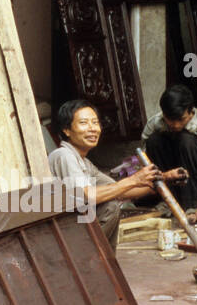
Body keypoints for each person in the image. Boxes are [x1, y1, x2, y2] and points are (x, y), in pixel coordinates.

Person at [48, 99, 185, 249]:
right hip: (60, 232)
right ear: (66, 130)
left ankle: (101, 261)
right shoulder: (64, 155)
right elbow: (87, 196)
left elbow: (120, 191)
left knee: (112, 201)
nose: (93, 128)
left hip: (73, 225)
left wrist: (166, 177)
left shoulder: (84, 163)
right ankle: (86, 258)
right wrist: (134, 179)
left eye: (95, 122)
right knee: (110, 206)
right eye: (84, 123)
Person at [141, 84, 197, 227]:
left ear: (191, 111)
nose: (175, 125)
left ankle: (193, 205)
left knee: (186, 139)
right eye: (170, 120)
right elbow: (145, 160)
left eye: (181, 119)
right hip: (172, 178)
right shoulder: (155, 123)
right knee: (154, 140)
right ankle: (166, 200)